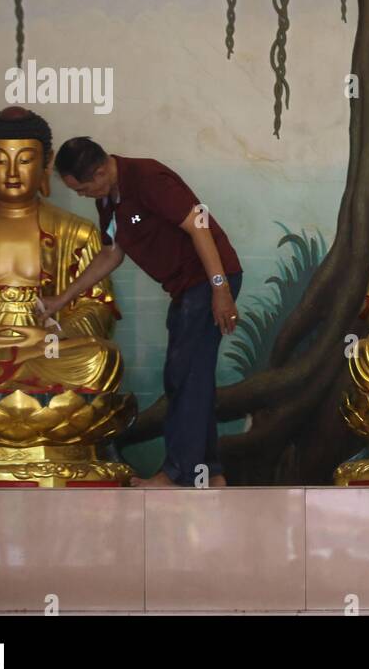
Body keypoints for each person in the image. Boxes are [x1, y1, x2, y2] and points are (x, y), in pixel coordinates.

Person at [38, 137, 242, 488]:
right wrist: (61, 300)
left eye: (83, 188)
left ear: (101, 171)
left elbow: (199, 226)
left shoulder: (148, 178)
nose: (82, 195)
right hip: (186, 288)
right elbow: (110, 255)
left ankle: (179, 474)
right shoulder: (109, 198)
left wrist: (220, 290)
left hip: (206, 281)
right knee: (190, 376)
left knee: (185, 376)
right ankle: (210, 472)